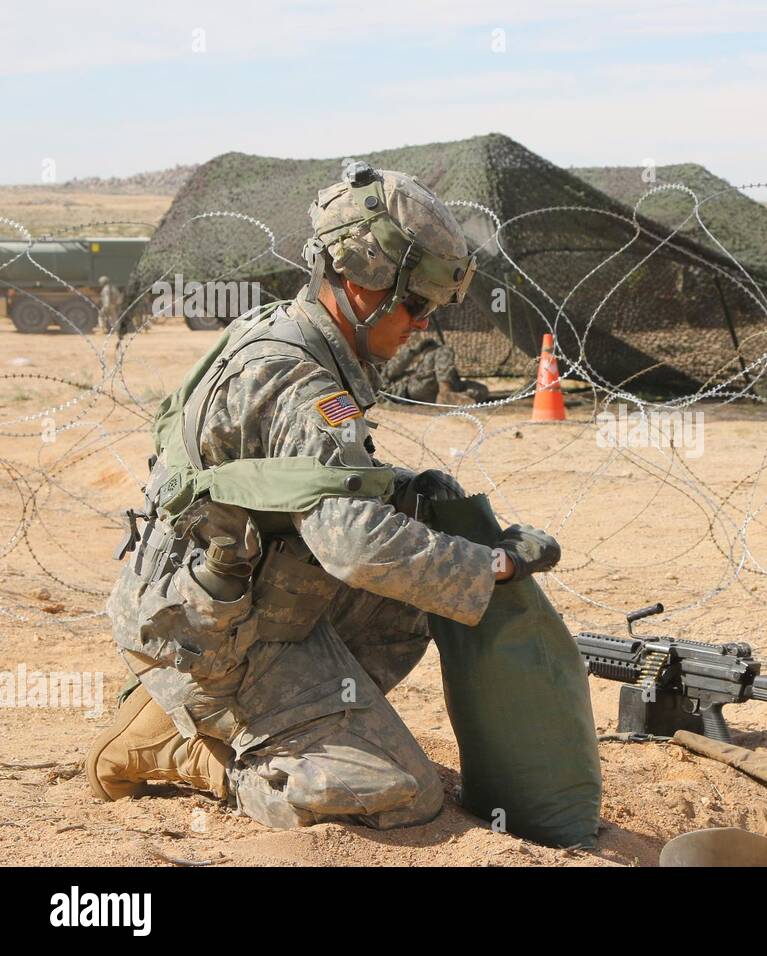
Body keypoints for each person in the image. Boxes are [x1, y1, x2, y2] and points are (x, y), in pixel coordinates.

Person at [88, 162, 561, 830]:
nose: (424, 325)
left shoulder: (290, 332)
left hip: (221, 600)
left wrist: (412, 496)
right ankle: (194, 746)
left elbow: (306, 485)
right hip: (207, 633)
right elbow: (354, 544)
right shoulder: (301, 384)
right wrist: (493, 565)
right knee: (400, 793)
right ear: (368, 283)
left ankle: (289, 720)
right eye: (417, 303)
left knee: (416, 573)